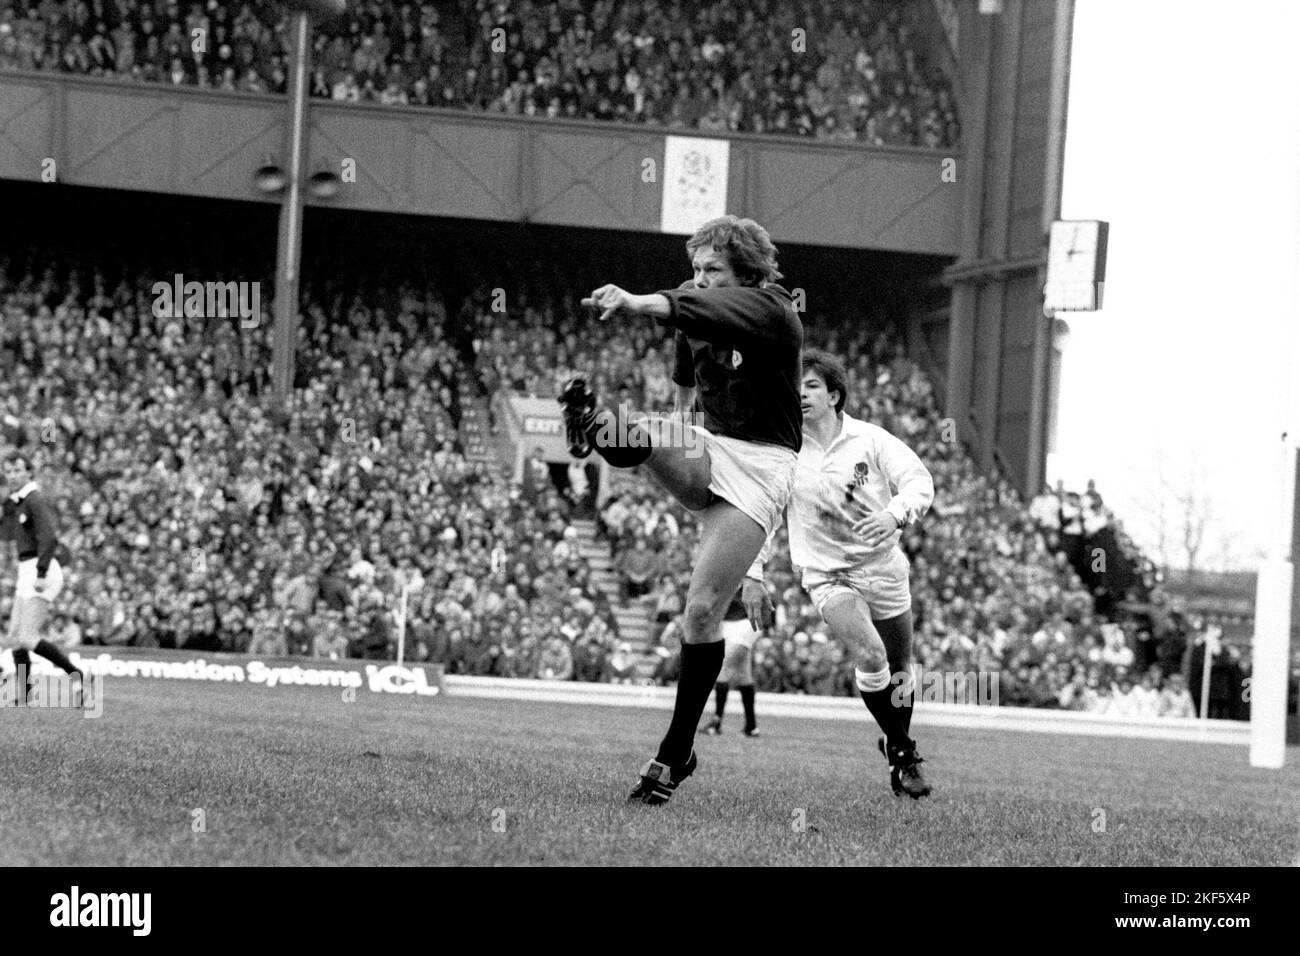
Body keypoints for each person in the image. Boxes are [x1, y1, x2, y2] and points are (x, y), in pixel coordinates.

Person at [559, 215, 802, 805]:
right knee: (637, 431)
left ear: (745, 274)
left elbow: (688, 314)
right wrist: (683, 417)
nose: (698, 280)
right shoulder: (698, 307)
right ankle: (591, 426)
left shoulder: (772, 310)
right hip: (714, 447)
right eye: (694, 269)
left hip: (764, 466)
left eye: (711, 269)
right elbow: (687, 370)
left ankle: (676, 753)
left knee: (699, 615)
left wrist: (635, 300)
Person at [744, 350, 935, 798]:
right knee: (872, 656)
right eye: (795, 387)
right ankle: (904, 752)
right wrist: (753, 574)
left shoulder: (870, 439)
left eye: (810, 386)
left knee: (902, 670)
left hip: (884, 568)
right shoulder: (784, 451)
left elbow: (919, 481)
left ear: (834, 394)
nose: (800, 394)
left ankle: (896, 746)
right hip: (829, 575)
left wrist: (895, 515)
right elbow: (764, 513)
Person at [1, 451, 84, 703]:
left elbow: (49, 538)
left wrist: (41, 571)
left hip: (40, 568)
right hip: (27, 568)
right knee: (15, 637)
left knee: (26, 637)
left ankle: (77, 675)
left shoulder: (34, 499)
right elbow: (7, 534)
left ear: (28, 471)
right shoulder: (17, 502)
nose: (13, 475)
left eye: (17, 470)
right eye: (9, 470)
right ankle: (26, 693)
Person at [701, 587, 760, 736]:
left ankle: (716, 722)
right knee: (743, 674)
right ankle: (751, 726)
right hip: (732, 622)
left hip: (744, 622)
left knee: (722, 667)